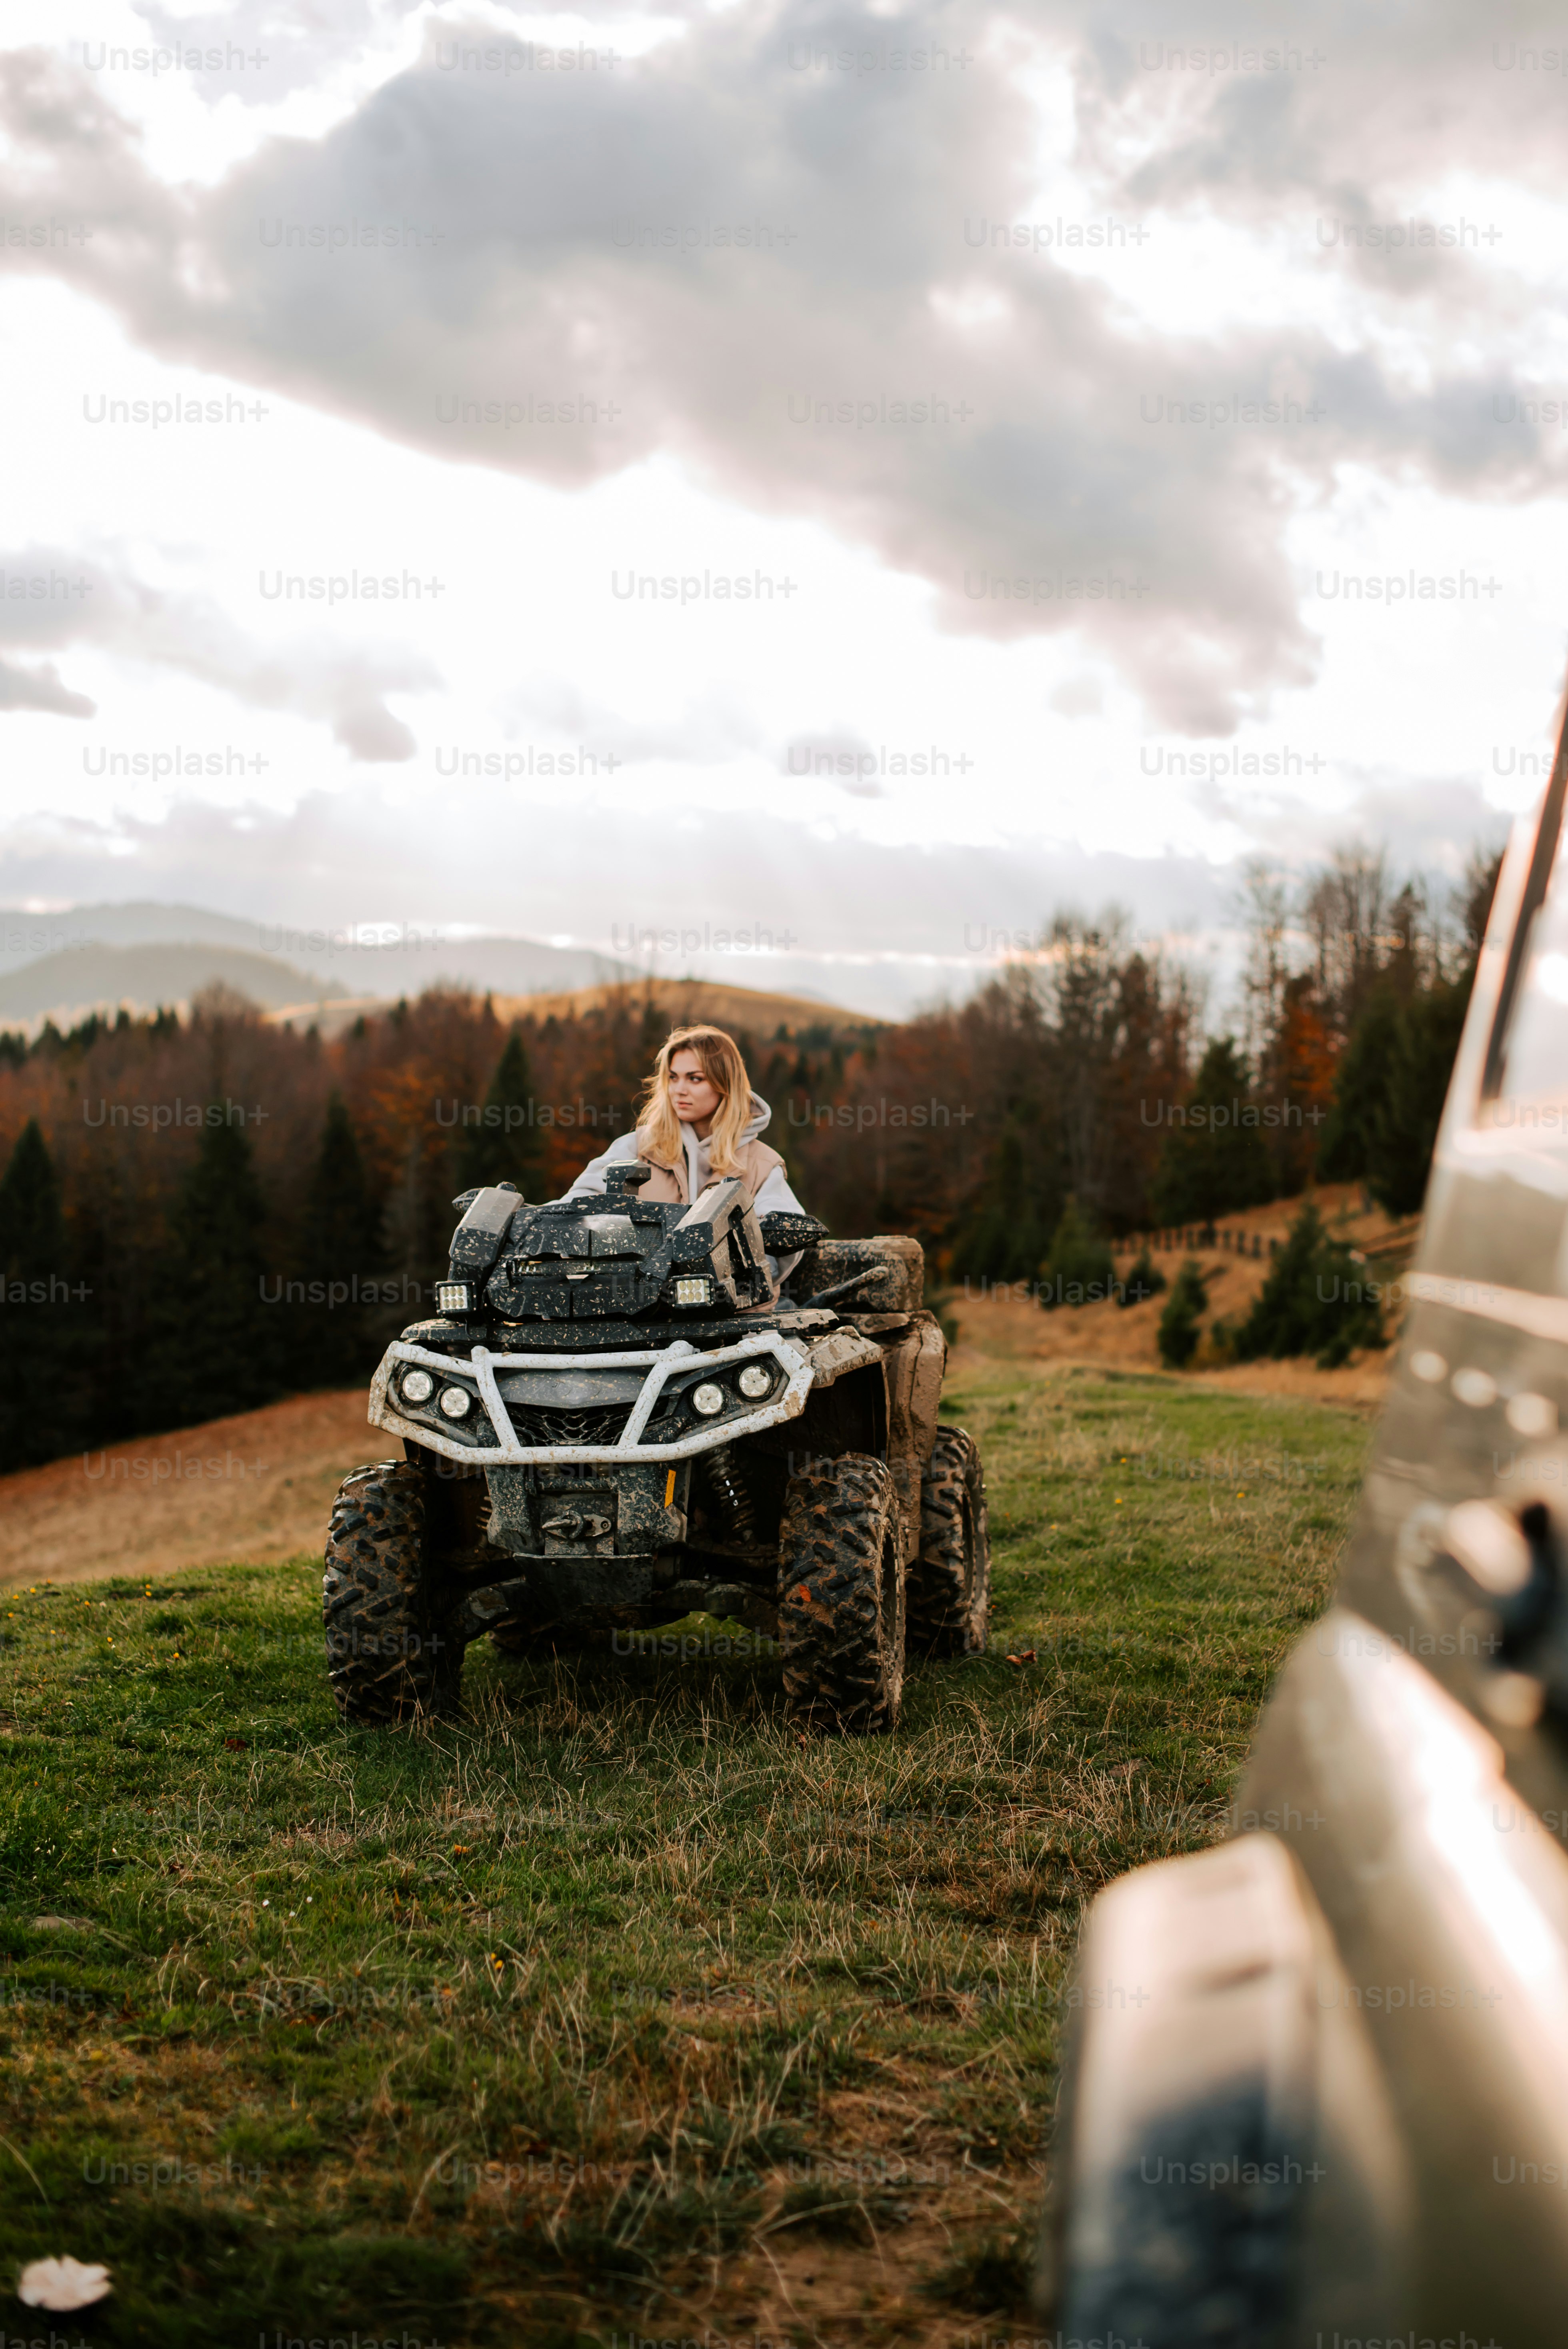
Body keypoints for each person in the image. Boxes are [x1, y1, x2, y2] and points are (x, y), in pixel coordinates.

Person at [565, 1024, 808, 1292]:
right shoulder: (636, 1148)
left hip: (734, 1321)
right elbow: (573, 1209)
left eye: (695, 1078)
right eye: (673, 1077)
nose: (679, 1090)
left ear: (725, 1084)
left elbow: (784, 1245)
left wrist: (734, 1282)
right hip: (643, 1313)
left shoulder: (762, 1164)